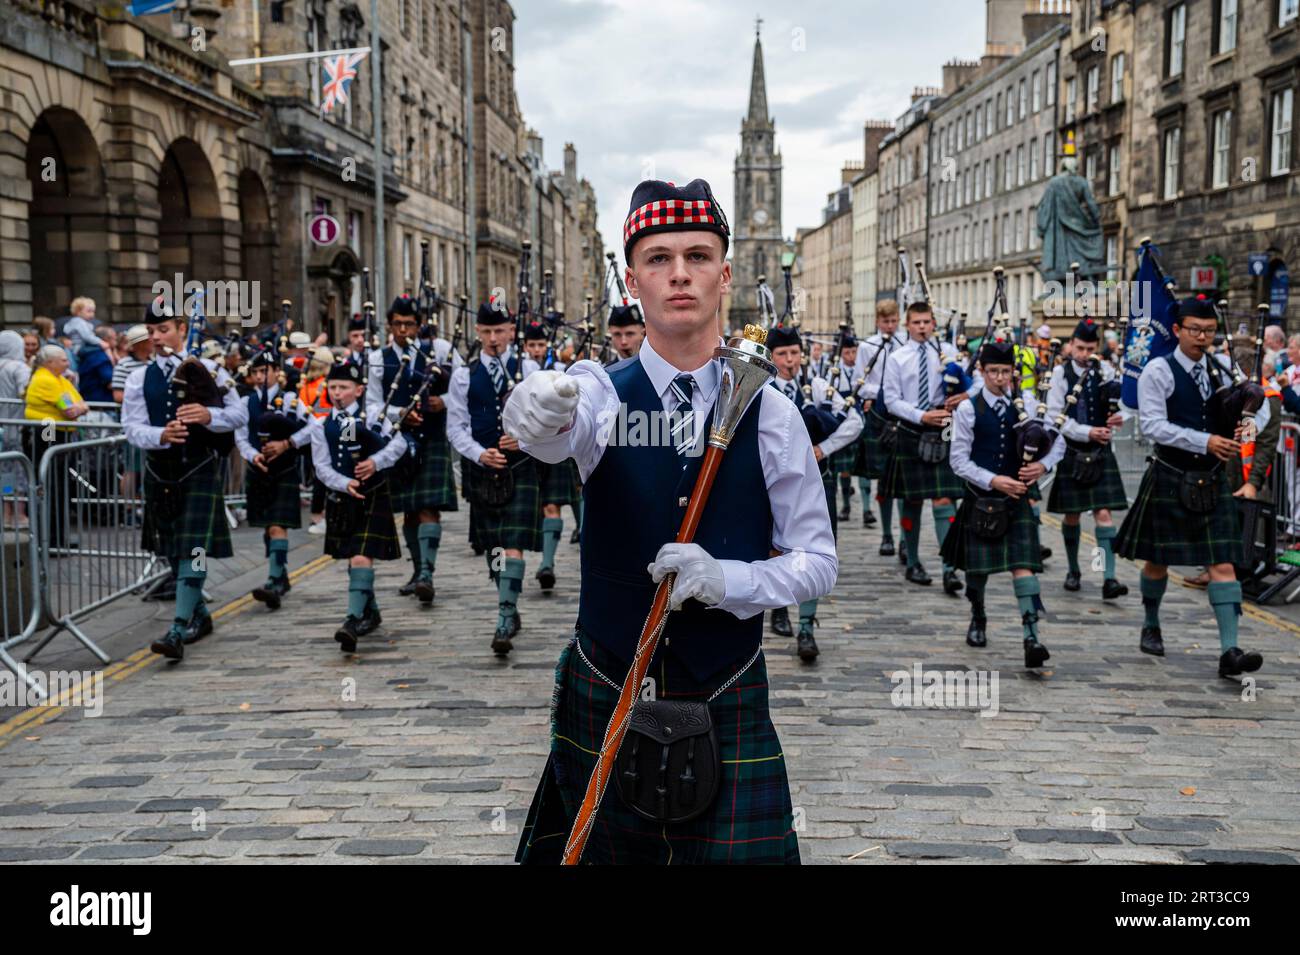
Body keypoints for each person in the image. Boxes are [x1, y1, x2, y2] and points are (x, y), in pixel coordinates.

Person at [507, 177, 836, 865]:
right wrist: (534, 409)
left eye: (697, 254)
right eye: (658, 258)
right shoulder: (600, 393)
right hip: (609, 682)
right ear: (633, 279)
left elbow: (817, 561)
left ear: (724, 270)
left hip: (724, 683)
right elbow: (554, 432)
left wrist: (728, 579)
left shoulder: (772, 411)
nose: (678, 272)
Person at [1113, 296, 1265, 680]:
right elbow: (1152, 426)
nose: (1203, 338)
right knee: (1157, 560)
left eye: (1210, 331)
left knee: (1223, 564)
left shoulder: (1220, 371)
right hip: (1171, 474)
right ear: (1177, 330)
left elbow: (1249, 414)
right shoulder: (1157, 371)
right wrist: (1205, 441)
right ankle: (1151, 623)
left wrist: (1247, 419)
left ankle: (1230, 650)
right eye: (1195, 330)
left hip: (1211, 479)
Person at [121, 303, 247, 660]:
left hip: (198, 469)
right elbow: (131, 427)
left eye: (163, 330)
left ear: (181, 328)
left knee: (194, 548)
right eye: (151, 332)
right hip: (161, 472)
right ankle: (200, 616)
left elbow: (239, 414)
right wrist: (161, 434)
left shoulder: (209, 369)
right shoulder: (137, 378)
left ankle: (177, 627)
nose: (156, 338)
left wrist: (210, 415)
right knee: (173, 550)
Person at [945, 340, 1063, 667]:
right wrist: (994, 480)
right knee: (978, 569)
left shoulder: (1026, 404)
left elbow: (1058, 439)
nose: (1000, 378)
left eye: (1006, 372)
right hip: (983, 498)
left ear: (1014, 374)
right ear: (981, 372)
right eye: (993, 371)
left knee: (1023, 566)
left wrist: (1044, 465)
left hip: (1017, 501)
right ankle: (978, 616)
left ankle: (1031, 635)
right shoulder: (969, 409)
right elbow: (958, 460)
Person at [446, 300, 542, 654]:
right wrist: (478, 453)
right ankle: (510, 605)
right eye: (486, 331)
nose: (493, 339)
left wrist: (525, 439)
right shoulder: (463, 375)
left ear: (511, 332)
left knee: (513, 541)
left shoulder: (529, 368)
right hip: (483, 469)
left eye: (499, 331)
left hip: (521, 466)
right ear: (477, 333)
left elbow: (551, 421)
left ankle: (504, 615)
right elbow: (454, 427)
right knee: (495, 547)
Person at [765, 323, 860, 660]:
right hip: (771, 483)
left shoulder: (817, 386)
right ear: (771, 356)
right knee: (774, 547)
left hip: (817, 479)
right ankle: (777, 607)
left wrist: (824, 448)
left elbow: (855, 421)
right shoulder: (762, 387)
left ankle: (806, 626)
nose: (790, 360)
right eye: (782, 354)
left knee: (811, 548)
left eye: (794, 353)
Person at [305, 362, 407, 650]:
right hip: (343, 498)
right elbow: (321, 466)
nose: (337, 393)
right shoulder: (320, 424)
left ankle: (351, 619)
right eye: (333, 387)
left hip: (373, 494)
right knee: (354, 558)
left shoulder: (374, 414)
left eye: (344, 388)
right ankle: (370, 612)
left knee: (361, 558)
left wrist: (376, 462)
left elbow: (398, 445)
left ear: (358, 390)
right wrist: (343, 483)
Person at [367, 295, 460, 606]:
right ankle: (418, 570)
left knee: (428, 508)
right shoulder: (378, 359)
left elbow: (462, 387)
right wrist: (399, 414)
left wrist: (443, 401)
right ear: (389, 325)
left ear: (420, 326)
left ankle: (427, 574)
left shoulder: (442, 350)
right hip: (398, 442)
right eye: (397, 324)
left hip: (432, 437)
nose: (403, 330)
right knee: (408, 513)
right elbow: (371, 406)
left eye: (409, 324)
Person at [881, 301, 967, 594]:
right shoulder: (898, 358)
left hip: (942, 429)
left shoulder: (948, 354)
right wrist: (922, 415)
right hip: (911, 429)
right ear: (908, 324)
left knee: (945, 500)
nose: (921, 327)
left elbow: (972, 384)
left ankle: (949, 568)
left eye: (926, 322)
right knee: (912, 502)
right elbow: (891, 400)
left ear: (934, 324)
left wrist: (962, 395)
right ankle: (914, 561)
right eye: (916, 322)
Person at [1045, 318, 1129, 599]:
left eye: (1090, 348)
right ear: (1071, 345)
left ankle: (1106, 576)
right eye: (1080, 348)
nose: (1084, 354)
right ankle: (1073, 569)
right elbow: (1055, 416)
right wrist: (1088, 432)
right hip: (1074, 450)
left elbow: (1126, 404)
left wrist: (1121, 416)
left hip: (1100, 452)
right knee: (1072, 516)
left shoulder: (1105, 370)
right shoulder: (1059, 374)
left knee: (1103, 515)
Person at [236, 351, 313, 610]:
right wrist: (252, 454)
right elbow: (240, 435)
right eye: (256, 372)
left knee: (277, 526)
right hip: (259, 470)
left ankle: (273, 580)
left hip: (284, 469)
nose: (260, 377)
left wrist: (287, 443)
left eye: (264, 371)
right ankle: (281, 576)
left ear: (276, 371)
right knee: (269, 528)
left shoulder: (291, 398)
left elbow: (313, 426)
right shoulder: (246, 402)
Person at [522, 321, 578, 591]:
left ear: (547, 346)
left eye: (540, 345)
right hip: (528, 450)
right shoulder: (518, 370)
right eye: (531, 345)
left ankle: (547, 563)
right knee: (545, 505)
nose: (535, 350)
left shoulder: (559, 371)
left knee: (552, 505)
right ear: (525, 347)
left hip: (553, 444)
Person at [24, 344, 90, 548]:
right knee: (50, 482)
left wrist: (80, 407)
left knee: (59, 483)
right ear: (50, 362)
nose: (67, 362)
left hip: (56, 431)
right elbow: (70, 410)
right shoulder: (45, 380)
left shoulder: (59, 379)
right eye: (63, 359)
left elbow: (80, 403)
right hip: (47, 431)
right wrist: (80, 407)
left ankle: (57, 538)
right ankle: (49, 540)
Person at [856, 299, 903, 541]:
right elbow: (860, 381)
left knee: (905, 484)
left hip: (903, 413)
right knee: (884, 477)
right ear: (877, 321)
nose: (890, 326)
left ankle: (906, 540)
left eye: (894, 321)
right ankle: (886, 534)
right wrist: (874, 394)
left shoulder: (905, 345)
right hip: (878, 412)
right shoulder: (868, 346)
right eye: (886, 321)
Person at [825, 333, 861, 521]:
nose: (851, 356)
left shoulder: (863, 369)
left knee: (861, 468)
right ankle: (846, 505)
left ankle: (867, 508)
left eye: (854, 351)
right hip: (841, 423)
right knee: (844, 468)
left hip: (861, 419)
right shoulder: (834, 373)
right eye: (847, 352)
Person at [0, 331, 32, 527]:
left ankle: (6, 514)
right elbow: (27, 392)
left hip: (2, 426)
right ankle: (19, 514)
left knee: (4, 470)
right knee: (19, 469)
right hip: (17, 425)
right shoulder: (18, 367)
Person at [112, 325, 153, 404]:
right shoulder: (124, 365)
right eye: (149, 339)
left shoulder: (153, 363)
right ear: (141, 344)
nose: (153, 341)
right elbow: (118, 396)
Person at [76, 325, 117, 404]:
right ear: (107, 339)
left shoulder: (89, 352)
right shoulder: (100, 357)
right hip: (101, 403)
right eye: (115, 338)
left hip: (90, 400)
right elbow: (110, 382)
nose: (116, 341)